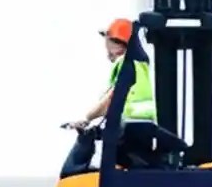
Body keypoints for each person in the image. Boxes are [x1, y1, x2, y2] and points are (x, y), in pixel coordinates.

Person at [60, 18, 157, 177]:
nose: (106, 47)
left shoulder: (125, 64)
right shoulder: (139, 64)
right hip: (140, 127)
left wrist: (88, 117)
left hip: (129, 128)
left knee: (103, 165)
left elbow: (112, 99)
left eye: (108, 41)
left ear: (119, 44)